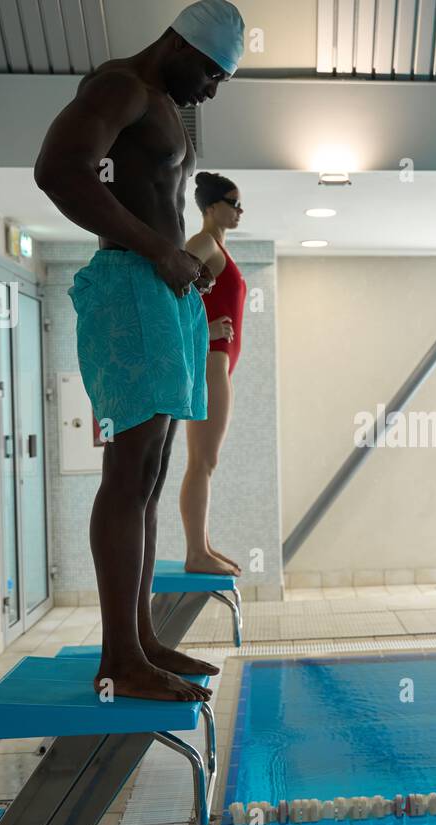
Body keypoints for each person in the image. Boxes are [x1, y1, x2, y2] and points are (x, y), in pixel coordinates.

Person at [33, 0, 245, 702]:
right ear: (182, 44)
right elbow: (57, 170)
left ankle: (144, 640)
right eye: (212, 72)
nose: (212, 90)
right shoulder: (119, 86)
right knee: (129, 467)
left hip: (161, 292)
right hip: (131, 282)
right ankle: (120, 657)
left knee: (150, 470)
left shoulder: (159, 103)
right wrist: (157, 248)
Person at [179, 172, 246, 576]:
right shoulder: (205, 243)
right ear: (211, 207)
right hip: (211, 360)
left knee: (206, 461)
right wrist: (204, 329)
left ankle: (201, 546)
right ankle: (195, 553)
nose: (240, 211)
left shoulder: (219, 247)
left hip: (218, 361)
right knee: (202, 461)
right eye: (233, 203)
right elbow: (168, 287)